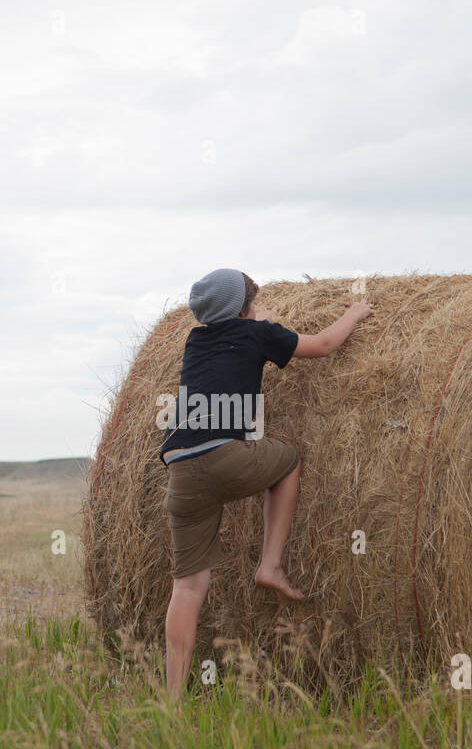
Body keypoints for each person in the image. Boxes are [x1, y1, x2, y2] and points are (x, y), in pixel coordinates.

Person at [159, 267, 373, 701]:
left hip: (181, 466)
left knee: (187, 587)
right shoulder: (260, 335)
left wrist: (256, 321)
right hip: (225, 457)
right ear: (245, 309)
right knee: (288, 460)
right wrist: (354, 312)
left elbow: (231, 340)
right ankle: (269, 564)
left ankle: (172, 701)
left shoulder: (195, 341)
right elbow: (324, 345)